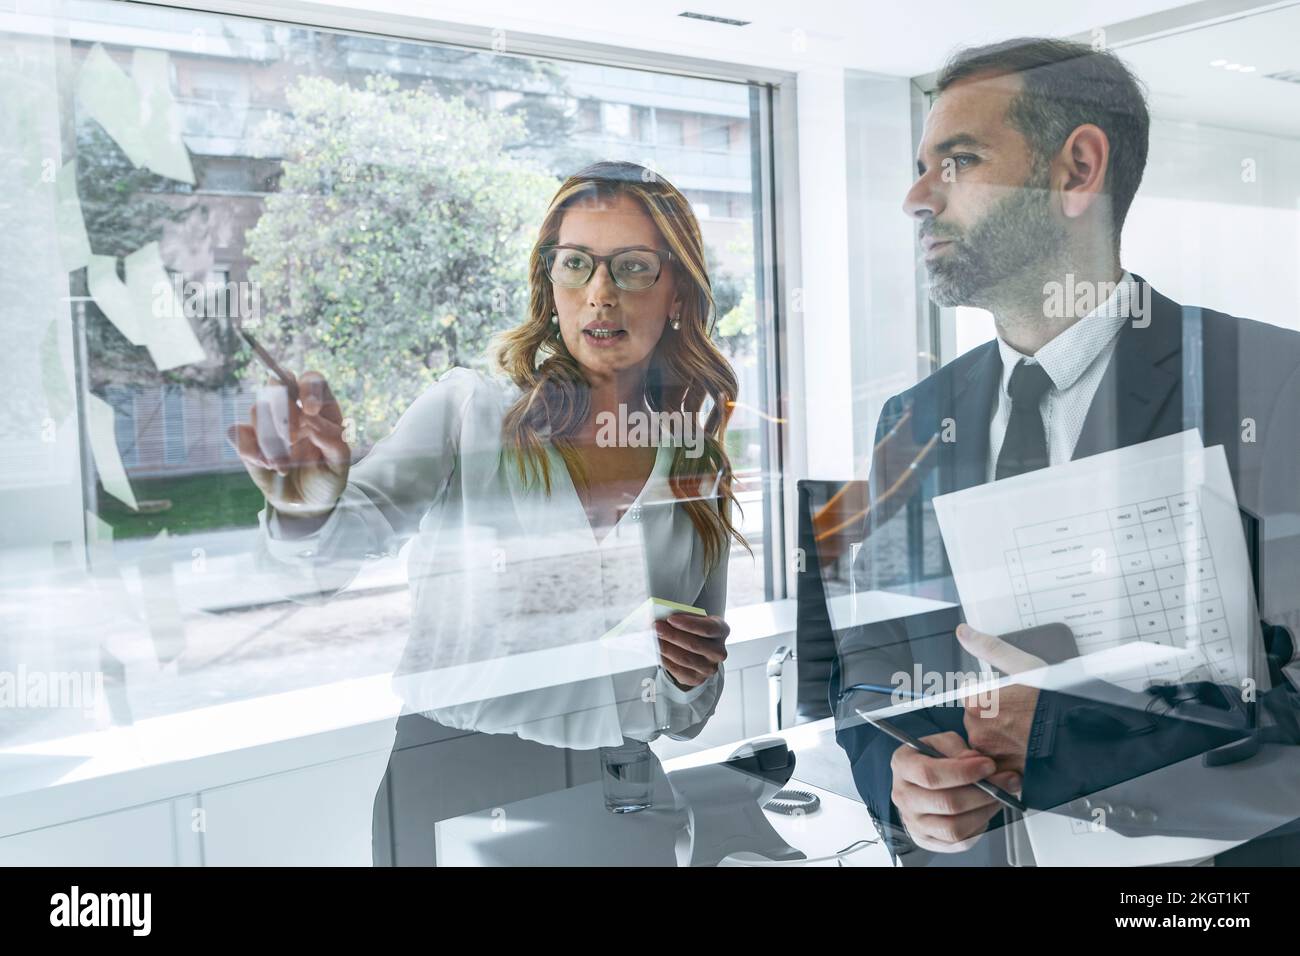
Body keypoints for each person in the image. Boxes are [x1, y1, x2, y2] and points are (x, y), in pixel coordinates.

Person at [831, 37, 1300, 865]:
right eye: (919, 165)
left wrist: (1071, 725)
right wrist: (897, 778)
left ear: (1078, 168)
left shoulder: (1271, 383)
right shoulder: (912, 417)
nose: (915, 197)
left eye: (958, 161)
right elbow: (868, 666)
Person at [228, 161, 745, 864]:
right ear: (549, 283)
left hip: (624, 787)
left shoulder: (696, 464)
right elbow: (326, 560)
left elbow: (688, 709)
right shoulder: (468, 410)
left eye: (631, 268)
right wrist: (304, 511)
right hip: (454, 778)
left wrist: (688, 679)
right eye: (576, 265)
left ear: (677, 290)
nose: (600, 294)